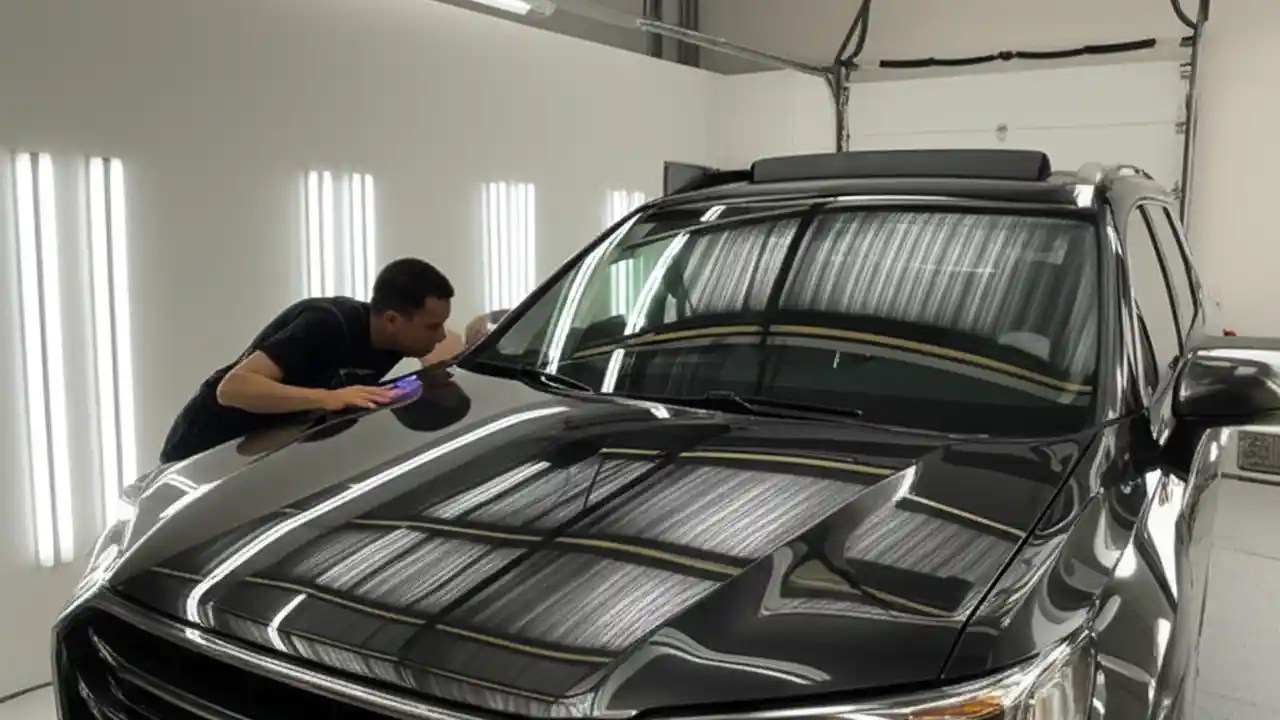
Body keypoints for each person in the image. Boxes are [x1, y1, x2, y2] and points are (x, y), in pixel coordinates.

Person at [159, 258, 454, 463]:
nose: (439, 335)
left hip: (261, 448)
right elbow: (233, 389)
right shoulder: (326, 323)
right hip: (204, 447)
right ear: (392, 320)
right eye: (432, 327)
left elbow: (447, 346)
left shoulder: (399, 337)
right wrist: (327, 398)